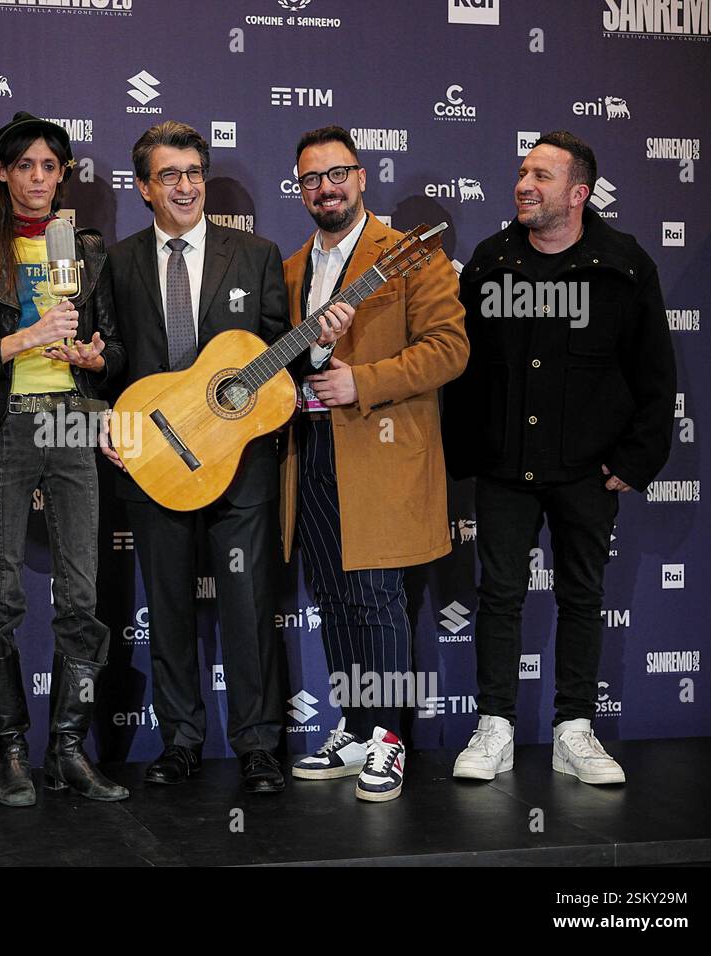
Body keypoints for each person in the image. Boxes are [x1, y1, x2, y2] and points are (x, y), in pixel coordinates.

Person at [444, 131, 675, 785]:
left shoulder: (624, 267)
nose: (524, 183)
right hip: (505, 469)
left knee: (583, 596)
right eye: (522, 171)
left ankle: (576, 728)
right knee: (500, 598)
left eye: (541, 175)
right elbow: (464, 373)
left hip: (587, 468)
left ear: (578, 193)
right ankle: (495, 726)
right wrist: (466, 453)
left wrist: (636, 460)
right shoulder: (489, 263)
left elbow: (655, 374)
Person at [0, 112, 127, 806]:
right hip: (6, 427)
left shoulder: (88, 247)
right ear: (1, 173)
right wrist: (27, 338)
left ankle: (69, 750)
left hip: (75, 425)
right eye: (26, 167)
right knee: (2, 595)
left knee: (82, 594)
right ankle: (12, 752)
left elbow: (118, 355)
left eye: (51, 167)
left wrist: (94, 356)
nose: (40, 180)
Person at [105, 121, 296, 794]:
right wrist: (109, 419)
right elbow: (113, 362)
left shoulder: (257, 253)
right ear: (143, 188)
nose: (185, 186)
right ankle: (180, 741)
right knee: (169, 609)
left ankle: (258, 746)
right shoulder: (117, 261)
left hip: (239, 467)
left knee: (248, 608)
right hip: (154, 463)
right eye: (169, 175)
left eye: (193, 173)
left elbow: (278, 358)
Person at [279, 126, 468, 802]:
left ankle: (388, 738)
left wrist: (366, 381)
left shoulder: (412, 254)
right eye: (311, 178)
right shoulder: (293, 267)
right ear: (299, 188)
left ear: (361, 177)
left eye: (338, 174)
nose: (325, 188)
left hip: (384, 453)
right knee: (334, 599)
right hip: (313, 455)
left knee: (381, 599)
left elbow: (450, 348)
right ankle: (356, 726)